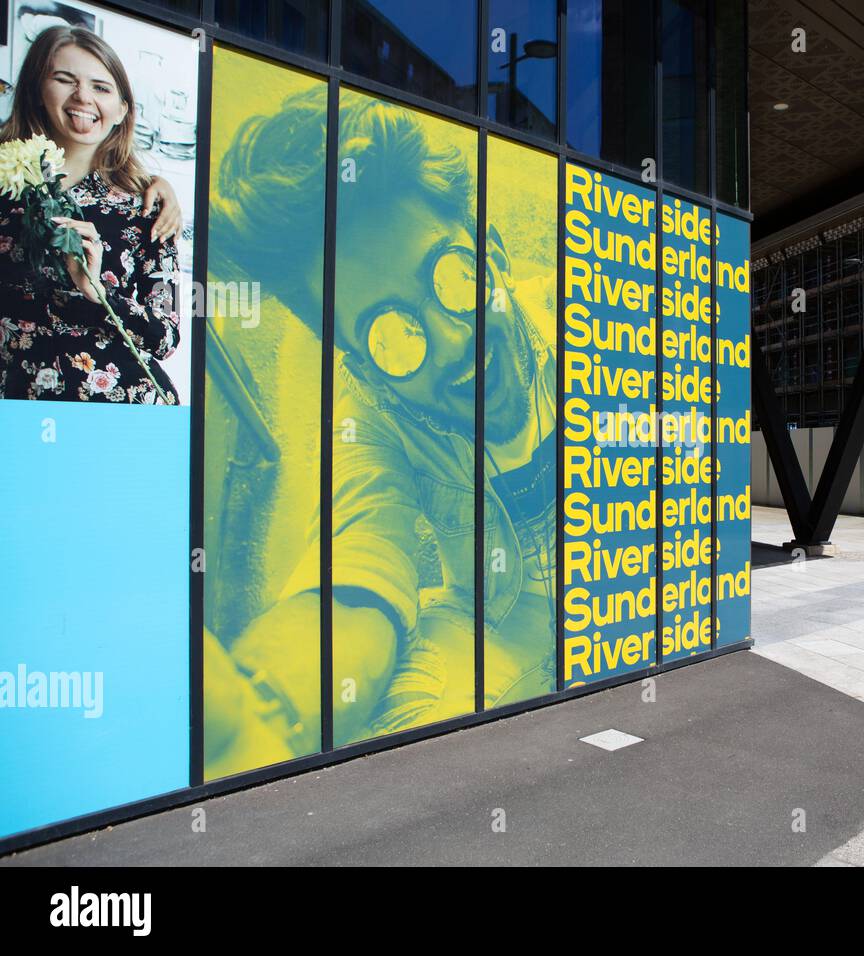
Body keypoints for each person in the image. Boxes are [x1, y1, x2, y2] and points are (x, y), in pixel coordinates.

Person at [203, 88, 557, 772]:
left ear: (494, 253)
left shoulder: (599, 327)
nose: (453, 342)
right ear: (362, 365)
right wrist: (266, 704)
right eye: (393, 334)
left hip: (628, 593)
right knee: (412, 755)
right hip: (495, 617)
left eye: (453, 277)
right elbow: (360, 555)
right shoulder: (372, 416)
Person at [0, 25, 184, 403]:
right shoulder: (6, 188)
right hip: (16, 413)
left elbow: (166, 337)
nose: (83, 96)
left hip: (116, 416)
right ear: (37, 92)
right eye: (65, 80)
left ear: (121, 110)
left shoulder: (146, 208)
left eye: (101, 87)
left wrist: (101, 293)